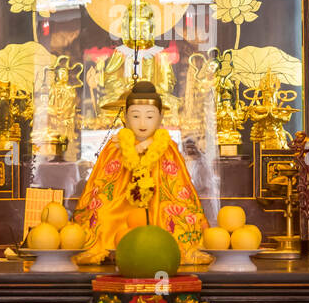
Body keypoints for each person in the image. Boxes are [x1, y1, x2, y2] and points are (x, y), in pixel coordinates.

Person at [72, 82, 210, 266]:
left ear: (160, 117)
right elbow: (102, 183)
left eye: (149, 116)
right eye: (135, 116)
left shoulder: (167, 147)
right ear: (125, 117)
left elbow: (177, 184)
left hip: (158, 200)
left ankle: (166, 246)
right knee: (103, 215)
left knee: (175, 214)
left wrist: (145, 147)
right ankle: (109, 245)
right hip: (121, 204)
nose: (142, 123)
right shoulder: (115, 146)